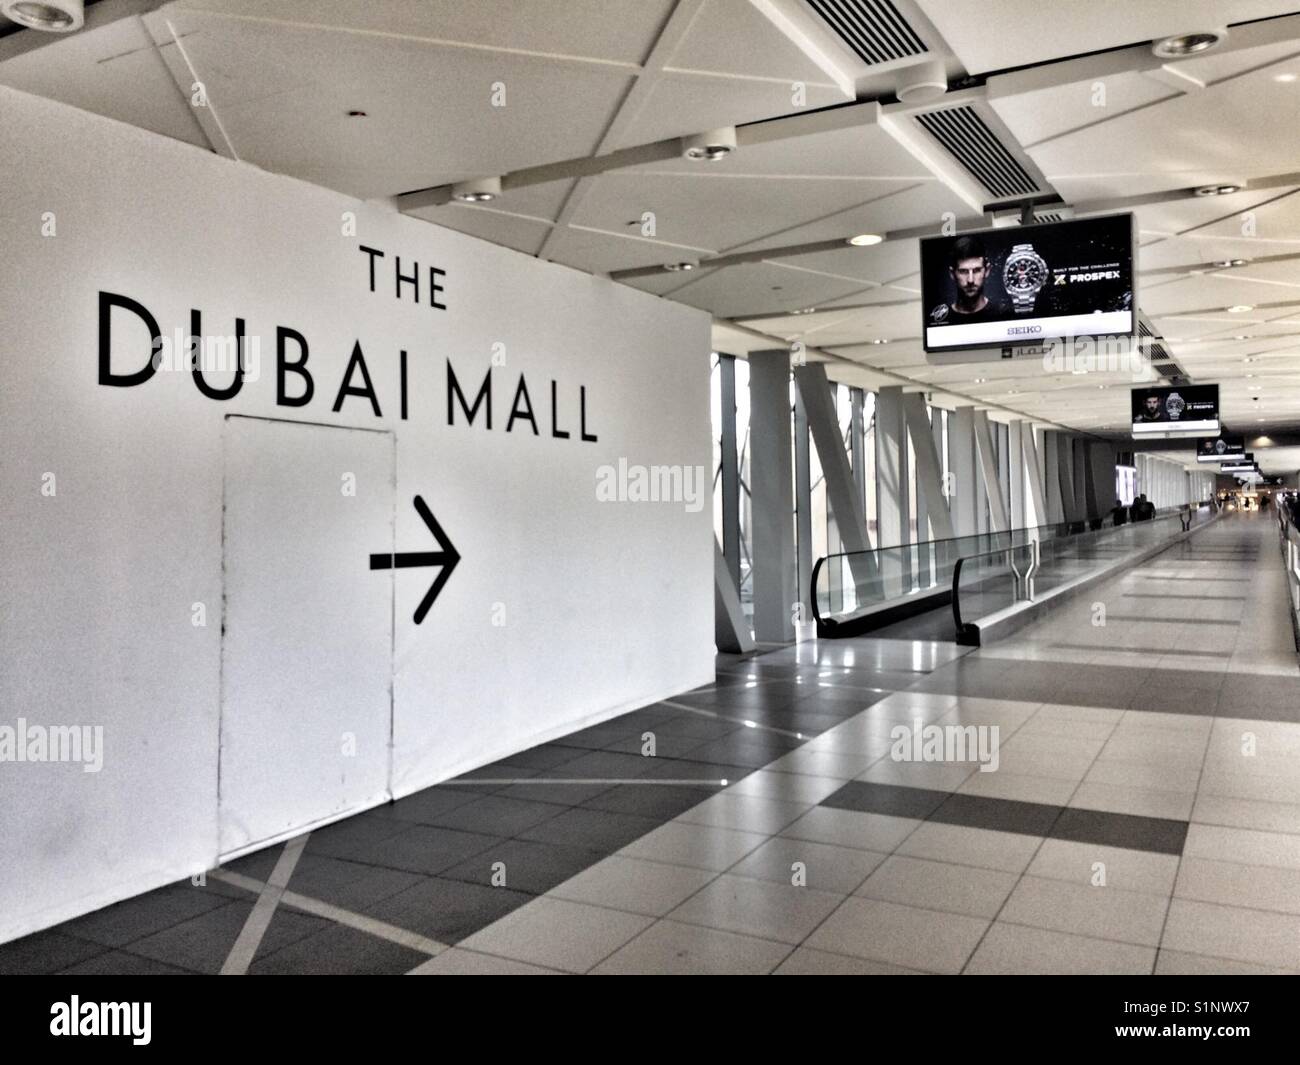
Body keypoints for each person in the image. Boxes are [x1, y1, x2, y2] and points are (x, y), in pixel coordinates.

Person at [927, 235, 1009, 325]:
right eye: (963, 271)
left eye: (977, 270)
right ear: (952, 274)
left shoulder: (1003, 315)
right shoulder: (939, 320)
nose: (970, 280)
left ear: (987, 271)